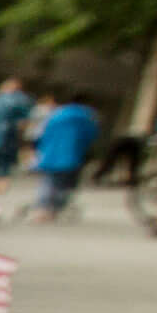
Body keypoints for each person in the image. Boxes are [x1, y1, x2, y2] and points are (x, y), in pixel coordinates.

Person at [33, 90, 103, 220]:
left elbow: (43, 132)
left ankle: (42, 208)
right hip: (73, 154)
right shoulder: (87, 116)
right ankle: (55, 208)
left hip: (50, 153)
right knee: (65, 183)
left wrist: (40, 148)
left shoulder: (57, 114)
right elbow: (91, 135)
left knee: (48, 181)